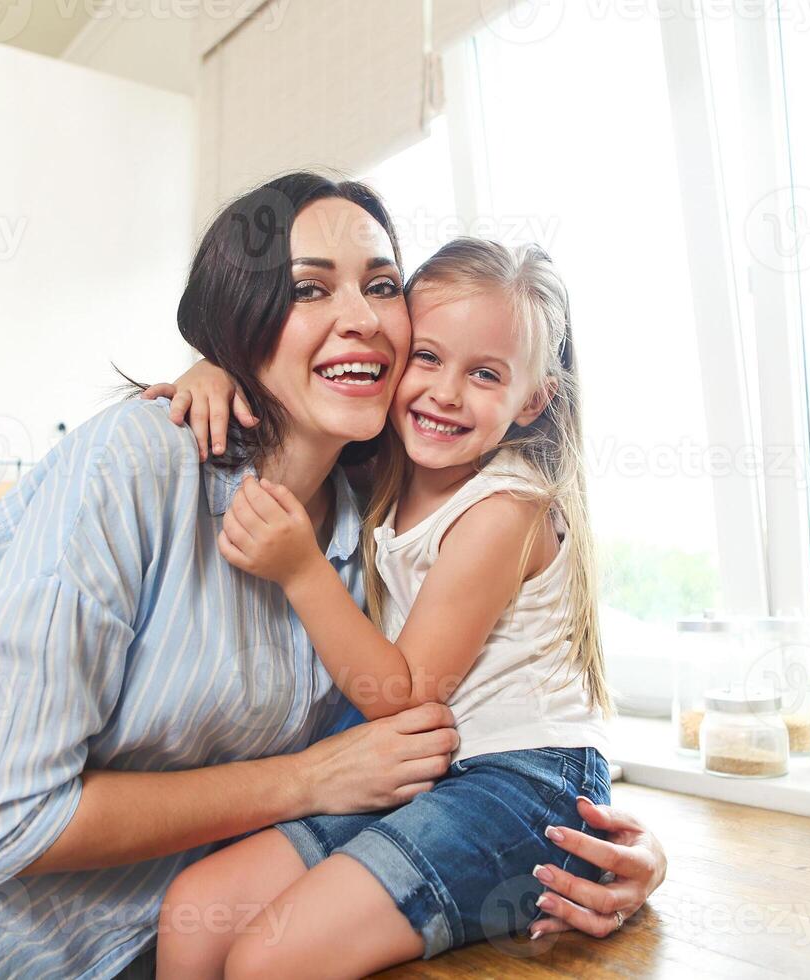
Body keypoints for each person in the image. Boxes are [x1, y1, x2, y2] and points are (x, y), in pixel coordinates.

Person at [0, 173, 665, 980]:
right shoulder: (139, 463)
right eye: (309, 288)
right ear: (244, 320)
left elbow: (490, 709)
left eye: (382, 285)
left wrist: (625, 849)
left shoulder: (373, 512)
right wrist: (308, 779)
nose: (362, 317)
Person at [150, 238, 614, 977]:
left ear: (533, 400)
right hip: (425, 767)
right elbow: (290, 395)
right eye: (427, 358)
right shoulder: (386, 468)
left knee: (268, 960)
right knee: (194, 911)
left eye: (485, 374)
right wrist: (215, 370)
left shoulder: (504, 511)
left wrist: (302, 570)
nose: (446, 393)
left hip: (526, 785)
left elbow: (404, 696)